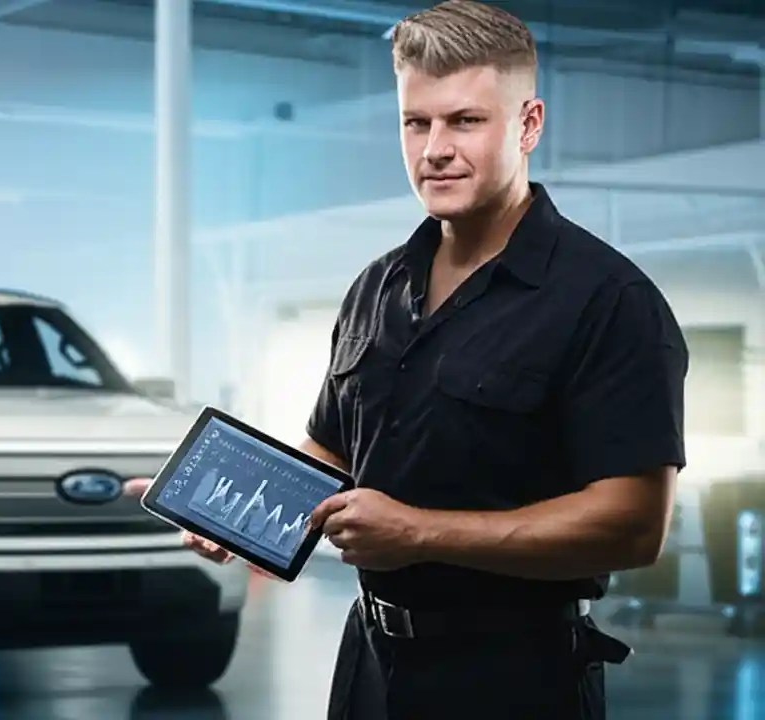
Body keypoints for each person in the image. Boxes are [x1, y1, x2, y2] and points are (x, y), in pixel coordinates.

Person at [129, 1, 687, 718]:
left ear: (529, 124)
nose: (434, 149)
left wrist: (420, 533)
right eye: (415, 122)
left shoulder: (608, 301)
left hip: (516, 677)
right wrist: (240, 517)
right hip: (369, 661)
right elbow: (331, 450)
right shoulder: (376, 287)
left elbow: (633, 525)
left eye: (465, 121)